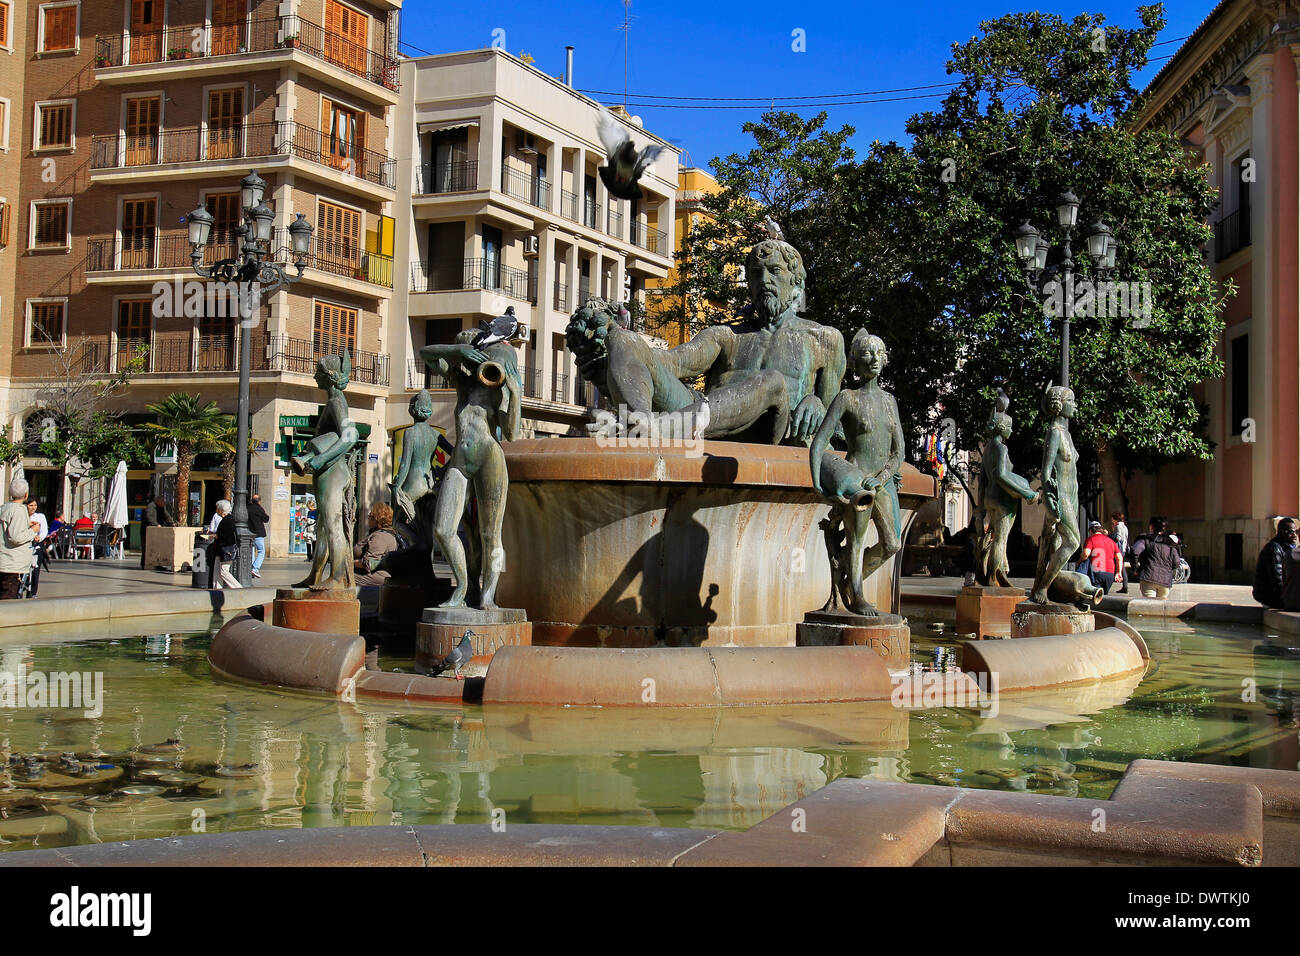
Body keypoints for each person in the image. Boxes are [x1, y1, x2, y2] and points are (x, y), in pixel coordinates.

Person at [1, 479, 36, 600]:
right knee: (8, 598)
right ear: (26, 494)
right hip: (11, 563)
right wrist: (33, 531)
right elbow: (16, 537)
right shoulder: (19, 510)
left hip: (4, 561)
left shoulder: (4, 507)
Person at [1131, 516, 1182, 599]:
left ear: (1151, 526)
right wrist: (1167, 570)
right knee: (1160, 609)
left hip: (1148, 577)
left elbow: (1134, 551)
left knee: (1149, 606)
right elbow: (1176, 562)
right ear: (1163, 528)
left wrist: (1136, 568)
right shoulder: (1170, 543)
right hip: (1165, 581)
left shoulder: (1145, 539)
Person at [1253, 516, 1297, 609]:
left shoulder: (1289, 549)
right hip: (1268, 595)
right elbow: (1277, 580)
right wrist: (1288, 597)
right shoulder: (1273, 549)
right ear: (1281, 532)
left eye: (1295, 532)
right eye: (1290, 532)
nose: (1294, 535)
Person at [353, 502, 400, 586]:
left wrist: (349, 563)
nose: (368, 518)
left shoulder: (380, 536)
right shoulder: (387, 534)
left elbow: (370, 563)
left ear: (376, 518)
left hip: (375, 577)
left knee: (341, 579)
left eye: (370, 516)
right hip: (377, 576)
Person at [1081, 520, 1122, 594]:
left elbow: (1086, 554)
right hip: (1110, 573)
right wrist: (1118, 572)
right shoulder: (1111, 541)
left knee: (1096, 596)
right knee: (1104, 596)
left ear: (1090, 530)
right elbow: (1119, 557)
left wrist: (1080, 560)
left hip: (1097, 572)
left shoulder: (1091, 539)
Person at [140, 494, 174, 569]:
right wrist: (156, 524)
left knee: (157, 548)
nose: (164, 503)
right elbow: (149, 517)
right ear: (158, 501)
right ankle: (145, 564)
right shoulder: (151, 506)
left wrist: (172, 523)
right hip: (148, 531)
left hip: (157, 532)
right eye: (163, 501)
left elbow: (167, 517)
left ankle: (157, 564)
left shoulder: (162, 508)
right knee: (147, 547)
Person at [248, 493, 270, 579]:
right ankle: (255, 568)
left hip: (249, 533)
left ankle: (251, 569)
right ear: (259, 501)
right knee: (261, 551)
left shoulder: (247, 508)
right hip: (258, 533)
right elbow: (266, 519)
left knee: (252, 551)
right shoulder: (259, 509)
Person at [1110, 511, 1130, 593]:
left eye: (1112, 519)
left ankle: (1124, 586)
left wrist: (1109, 535)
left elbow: (1117, 538)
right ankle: (1125, 586)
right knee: (1122, 567)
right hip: (1124, 549)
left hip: (1119, 549)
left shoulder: (1118, 526)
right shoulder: (1125, 527)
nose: (1111, 520)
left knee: (1118, 566)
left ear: (1115, 519)